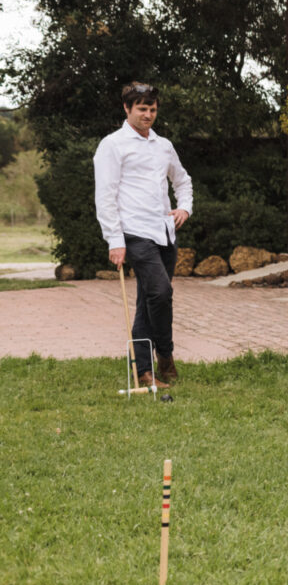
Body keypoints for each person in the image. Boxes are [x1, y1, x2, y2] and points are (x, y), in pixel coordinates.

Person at [93, 82, 193, 386]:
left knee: (150, 301)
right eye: (141, 108)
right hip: (134, 232)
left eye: (152, 109)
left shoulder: (163, 145)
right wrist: (115, 240)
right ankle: (165, 355)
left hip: (164, 233)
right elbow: (105, 195)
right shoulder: (112, 145)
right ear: (127, 109)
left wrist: (184, 208)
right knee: (161, 293)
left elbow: (183, 180)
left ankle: (144, 371)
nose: (148, 114)